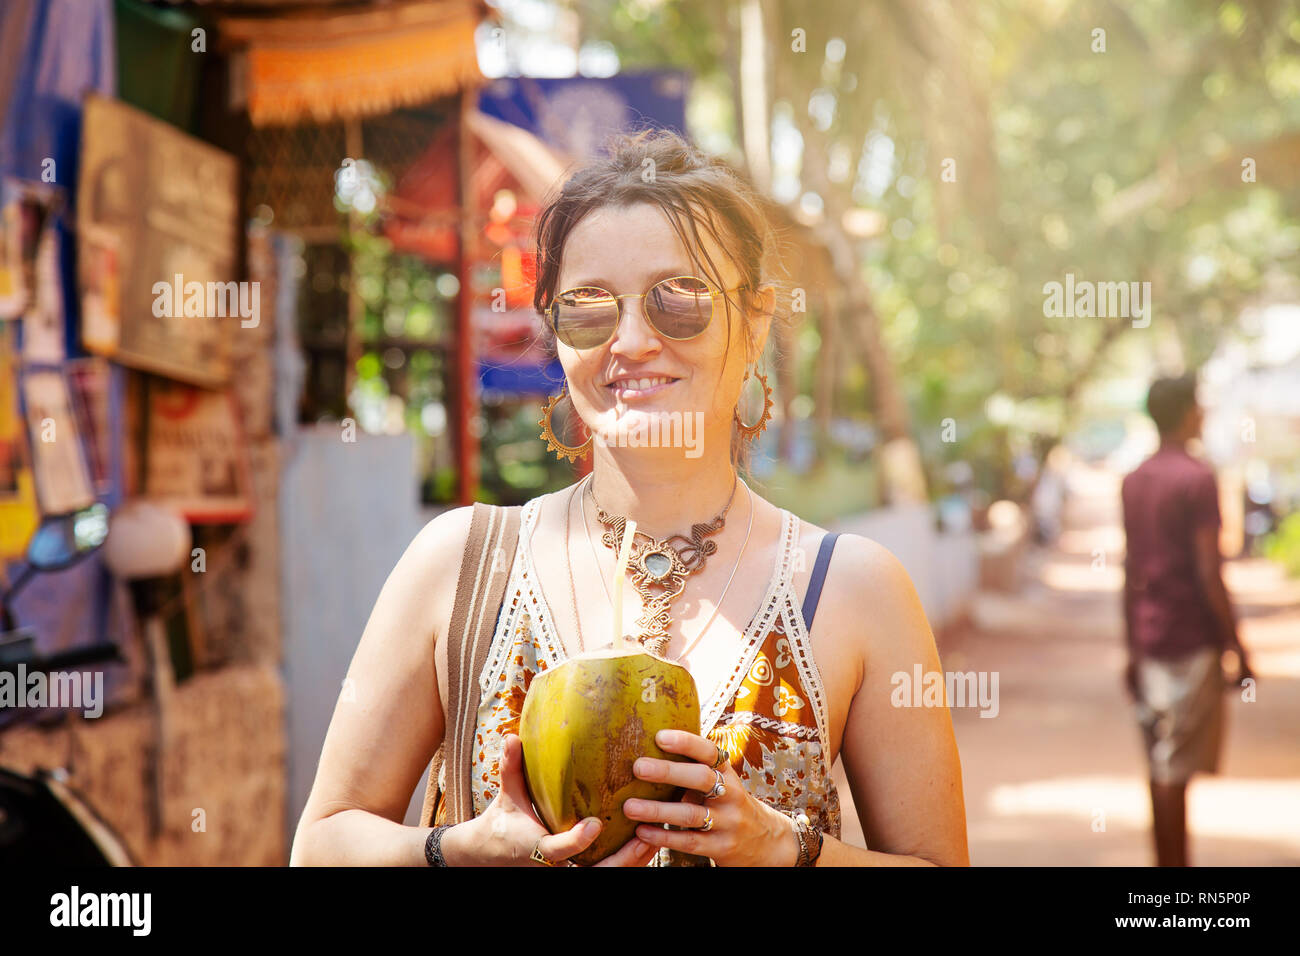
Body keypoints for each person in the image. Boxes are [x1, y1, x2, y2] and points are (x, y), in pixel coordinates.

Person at [291, 128, 969, 867]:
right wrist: (462, 848)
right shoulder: (457, 567)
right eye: (588, 307)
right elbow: (321, 844)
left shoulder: (854, 589)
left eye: (679, 299)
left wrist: (783, 849)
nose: (633, 340)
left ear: (756, 323)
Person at [1120, 373, 1254, 867]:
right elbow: (1208, 570)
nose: (1203, 413)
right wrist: (1236, 644)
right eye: (1198, 405)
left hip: (1151, 638)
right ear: (1184, 412)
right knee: (1172, 768)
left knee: (1163, 762)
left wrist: (1131, 649)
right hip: (1189, 640)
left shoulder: (1135, 480)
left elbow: (1128, 571)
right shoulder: (1197, 478)